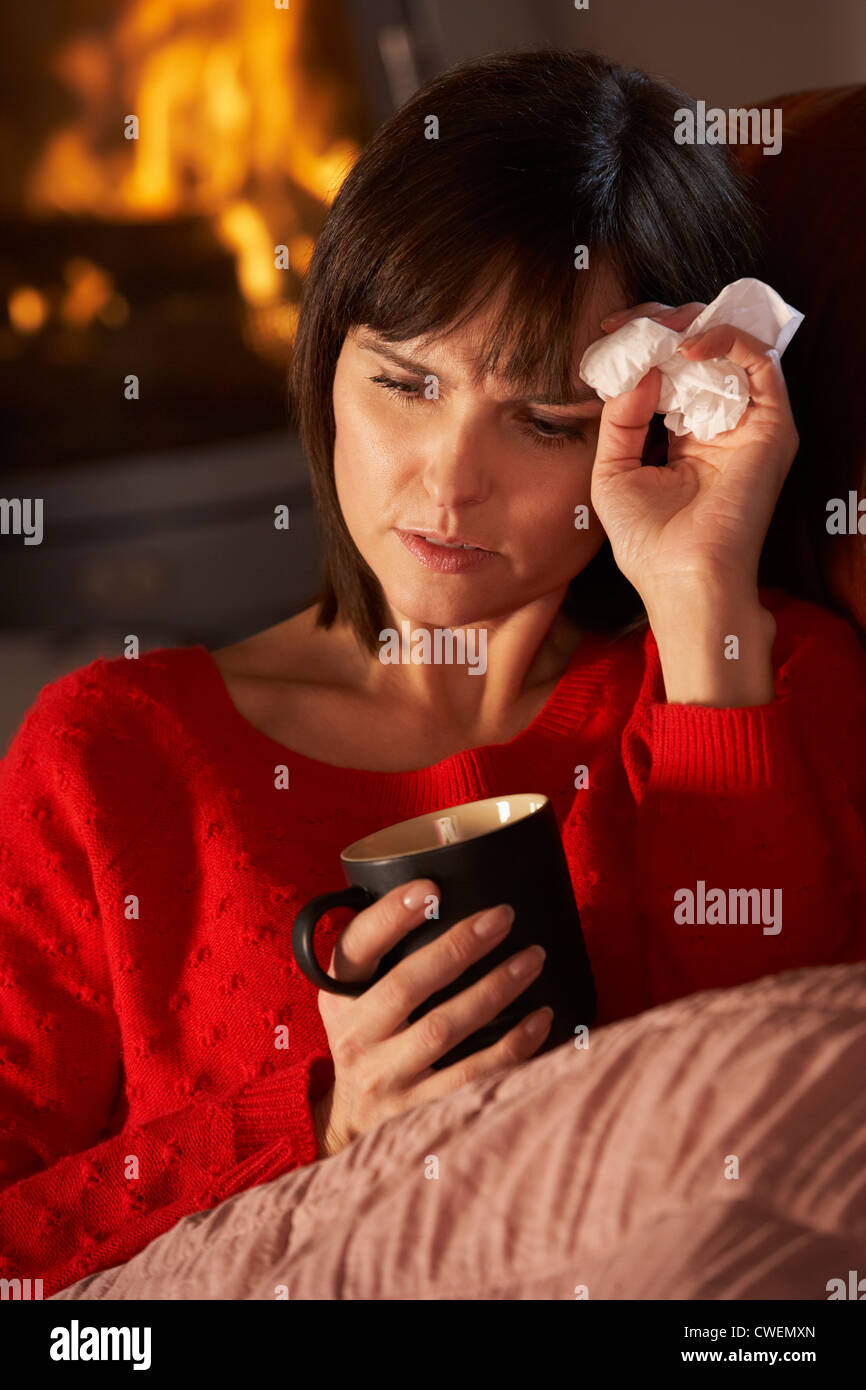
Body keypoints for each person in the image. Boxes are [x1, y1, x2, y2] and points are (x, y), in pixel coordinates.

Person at [2, 49, 865, 1299]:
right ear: (327, 373)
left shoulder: (760, 670)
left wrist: (697, 603)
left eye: (543, 421)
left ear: (655, 421)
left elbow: (785, 1136)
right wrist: (321, 1124)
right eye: (404, 383)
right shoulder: (112, 751)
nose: (445, 483)